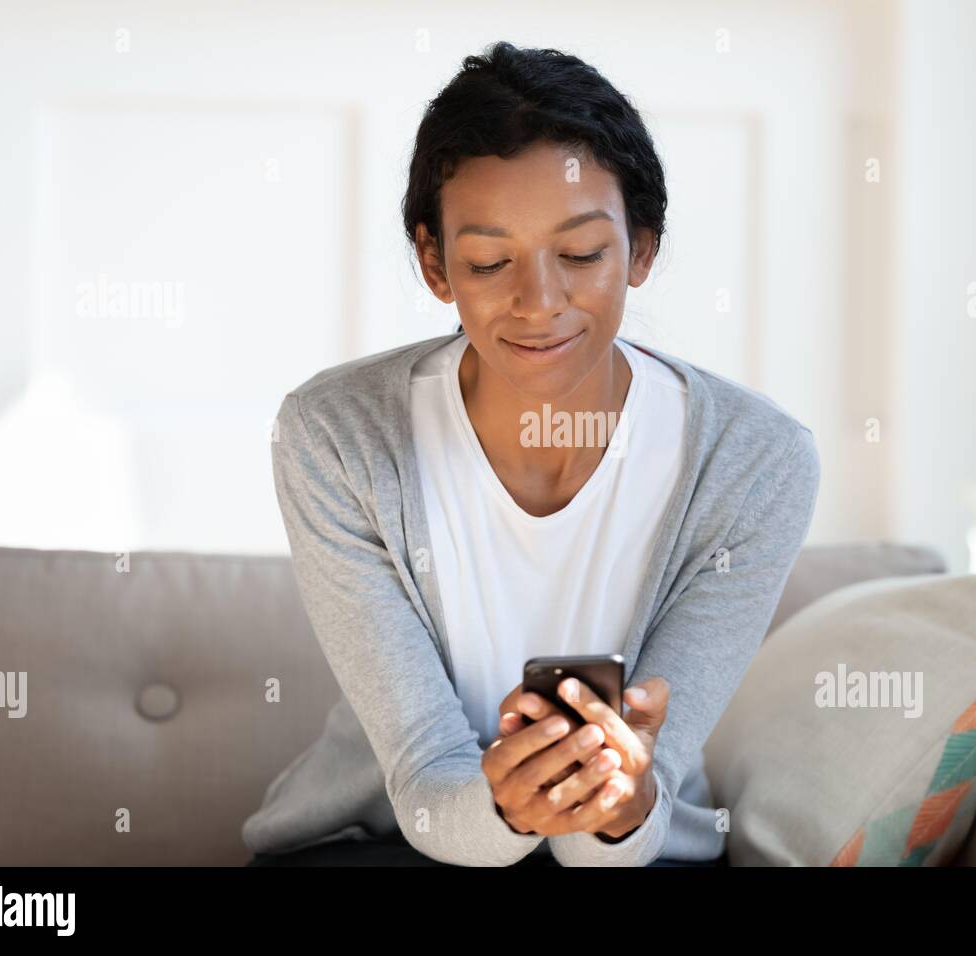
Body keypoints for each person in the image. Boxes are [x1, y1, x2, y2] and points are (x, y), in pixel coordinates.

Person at [243, 39, 820, 868]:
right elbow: (428, 788)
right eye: (487, 261)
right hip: (390, 843)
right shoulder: (335, 436)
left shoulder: (755, 462)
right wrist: (509, 812)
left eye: (583, 255)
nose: (539, 303)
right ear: (436, 265)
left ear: (643, 250)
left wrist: (613, 805)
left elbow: (625, 830)